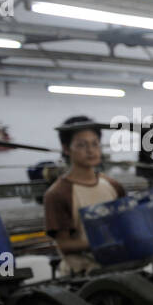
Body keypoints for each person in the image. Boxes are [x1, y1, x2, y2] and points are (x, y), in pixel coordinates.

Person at [43, 116, 124, 276]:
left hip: (118, 267)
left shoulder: (113, 186)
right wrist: (101, 243)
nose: (91, 150)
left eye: (95, 144)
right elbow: (64, 244)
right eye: (81, 145)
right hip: (81, 276)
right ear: (66, 149)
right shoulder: (58, 193)